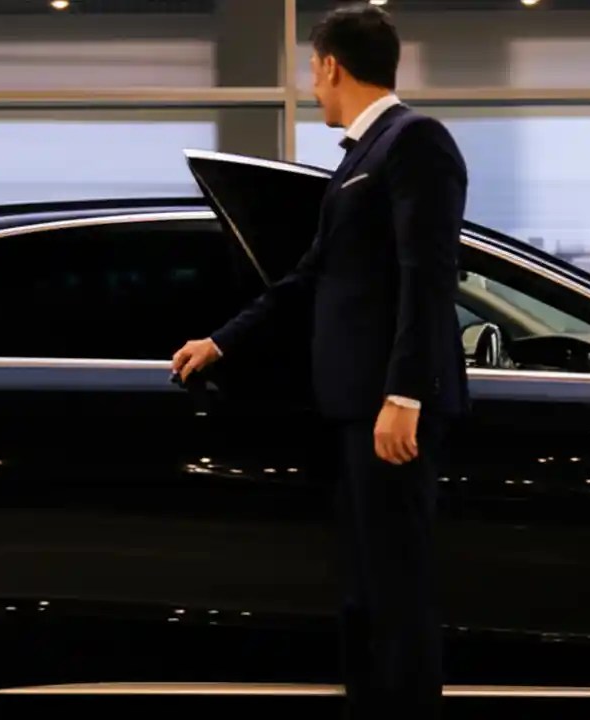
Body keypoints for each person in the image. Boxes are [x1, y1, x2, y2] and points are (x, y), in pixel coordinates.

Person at [170, 4, 469, 717]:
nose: (311, 86)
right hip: (349, 407)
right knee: (367, 587)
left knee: (398, 588)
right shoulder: (360, 158)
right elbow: (310, 276)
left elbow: (427, 274)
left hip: (387, 412)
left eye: (312, 69)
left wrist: (406, 395)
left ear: (332, 64)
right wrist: (223, 341)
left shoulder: (414, 141)